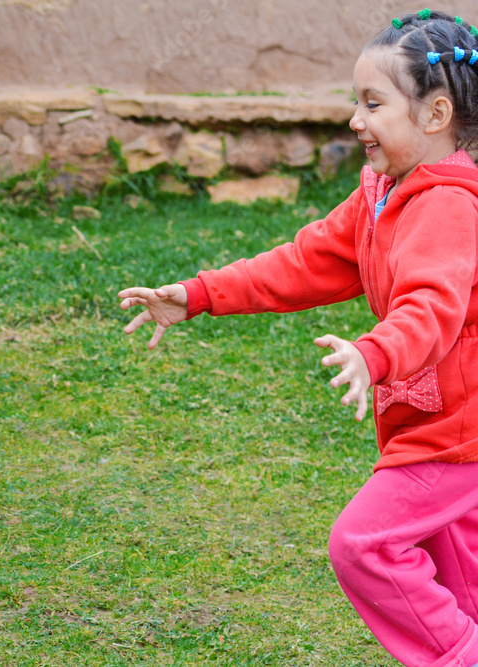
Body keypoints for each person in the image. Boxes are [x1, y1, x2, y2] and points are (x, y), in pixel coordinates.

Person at [119, 9, 478, 667]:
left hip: (455, 435)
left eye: (373, 103)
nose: (354, 119)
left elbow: (432, 309)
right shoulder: (381, 191)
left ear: (435, 116)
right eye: (355, 100)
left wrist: (374, 353)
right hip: (428, 421)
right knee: (460, 585)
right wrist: (199, 294)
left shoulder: (448, 206)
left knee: (363, 544)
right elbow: (305, 260)